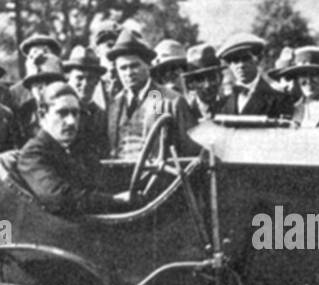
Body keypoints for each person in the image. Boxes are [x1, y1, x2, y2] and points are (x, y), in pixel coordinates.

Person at [16, 82, 131, 216]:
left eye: (75, 113)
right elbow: (59, 199)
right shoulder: (33, 154)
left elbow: (102, 179)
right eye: (62, 113)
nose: (71, 121)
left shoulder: (78, 148)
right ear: (42, 115)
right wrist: (114, 200)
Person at [105, 32, 197, 160]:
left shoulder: (167, 99)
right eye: (123, 68)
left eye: (134, 66)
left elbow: (191, 152)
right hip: (122, 177)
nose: (129, 73)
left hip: (159, 178)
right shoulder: (115, 104)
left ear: (148, 65)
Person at [214, 33, 294, 119]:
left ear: (257, 60)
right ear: (230, 66)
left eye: (246, 58)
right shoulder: (223, 103)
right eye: (235, 61)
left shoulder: (279, 99)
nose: (241, 65)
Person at [16, 54, 71, 139]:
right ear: (30, 88)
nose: (42, 90)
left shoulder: (71, 109)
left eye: (48, 83)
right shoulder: (24, 112)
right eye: (37, 85)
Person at [10, 34, 63, 113]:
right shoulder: (15, 92)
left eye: (45, 52)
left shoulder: (64, 88)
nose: (37, 56)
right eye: (33, 54)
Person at [181, 43, 224, 121]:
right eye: (200, 80)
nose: (207, 85)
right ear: (190, 84)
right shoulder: (186, 114)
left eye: (212, 77)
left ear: (220, 78)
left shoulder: (232, 107)